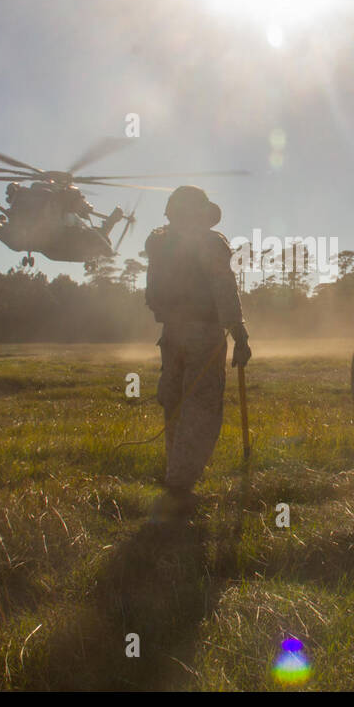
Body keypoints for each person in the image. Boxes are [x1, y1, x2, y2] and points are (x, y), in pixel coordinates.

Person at [143, 186, 251, 520]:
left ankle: (175, 475)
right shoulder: (209, 242)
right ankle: (180, 485)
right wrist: (240, 334)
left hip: (171, 333)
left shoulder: (162, 245)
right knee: (200, 405)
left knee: (174, 401)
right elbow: (223, 287)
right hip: (204, 334)